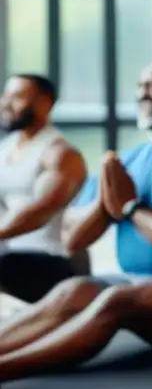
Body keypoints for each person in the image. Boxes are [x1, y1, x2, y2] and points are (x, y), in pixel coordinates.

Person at [0, 59, 152, 389]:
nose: (143, 93)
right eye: (140, 86)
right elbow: (71, 239)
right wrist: (105, 204)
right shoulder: (129, 161)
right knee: (74, 290)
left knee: (118, 299)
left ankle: (5, 370)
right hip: (135, 281)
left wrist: (131, 208)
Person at [0, 74, 90, 303]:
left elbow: (42, 209)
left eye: (17, 97)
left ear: (45, 103)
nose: (5, 104)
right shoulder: (5, 149)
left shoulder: (61, 154)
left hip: (51, 260)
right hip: (9, 257)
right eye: (5, 96)